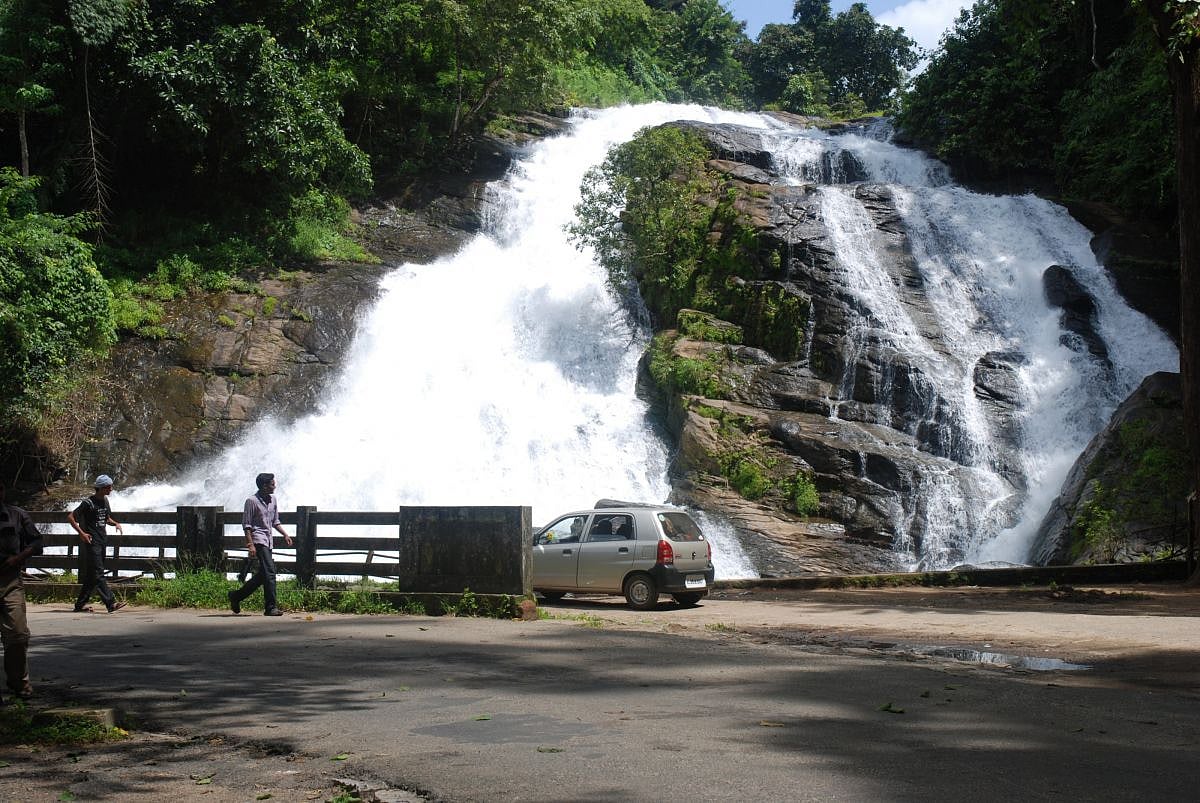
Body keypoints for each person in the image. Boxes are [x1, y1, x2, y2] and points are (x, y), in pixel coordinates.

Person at [0, 482, 44, 705]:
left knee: (17, 634)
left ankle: (19, 683)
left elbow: (37, 542)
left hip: (10, 581)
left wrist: (18, 558)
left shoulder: (17, 515)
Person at [229, 473, 293, 617]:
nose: (274, 486)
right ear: (264, 486)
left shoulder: (273, 499)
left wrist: (285, 534)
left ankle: (236, 596)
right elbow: (247, 525)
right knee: (270, 572)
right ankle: (271, 607)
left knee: (263, 575)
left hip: (268, 540)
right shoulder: (251, 501)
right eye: (272, 484)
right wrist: (250, 544)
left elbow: (275, 521)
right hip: (258, 540)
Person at [67, 474, 126, 613]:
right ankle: (110, 603)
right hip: (92, 542)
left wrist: (115, 523)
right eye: (108, 487)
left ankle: (80, 605)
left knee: (92, 575)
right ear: (101, 488)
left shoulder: (105, 501)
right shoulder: (88, 503)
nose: (111, 489)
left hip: (102, 540)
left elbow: (106, 518)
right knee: (99, 573)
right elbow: (70, 517)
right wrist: (81, 533)